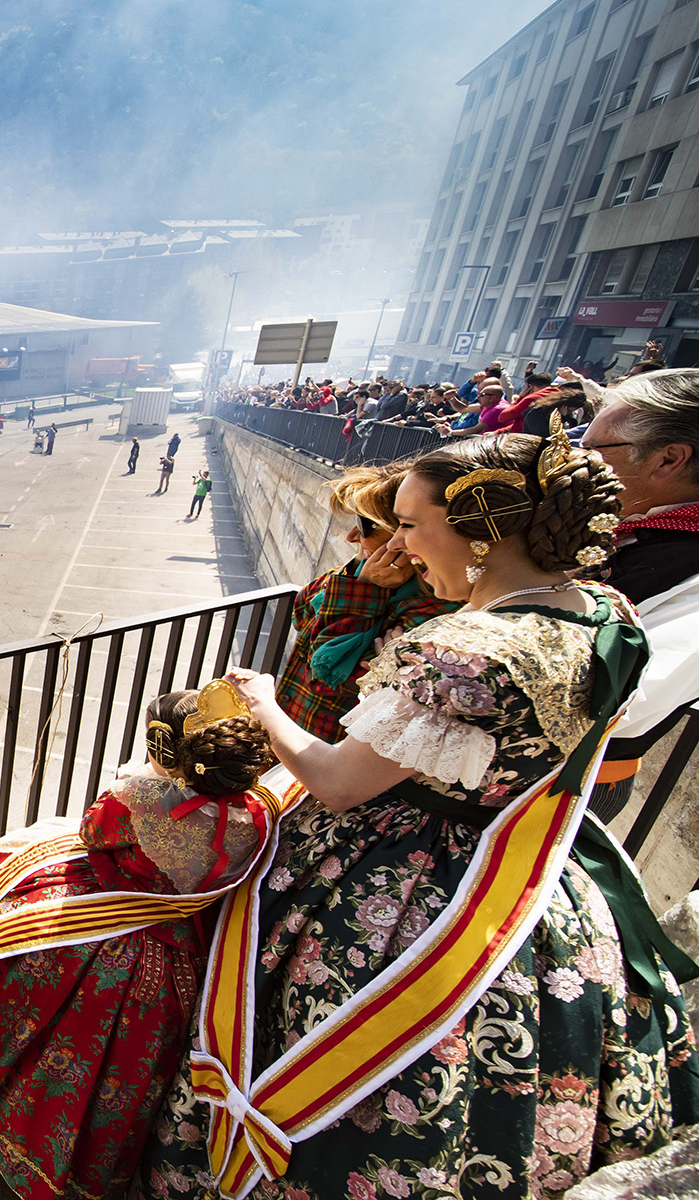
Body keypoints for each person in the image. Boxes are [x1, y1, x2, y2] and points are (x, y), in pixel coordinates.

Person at [142, 428, 699, 1199]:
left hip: (407, 884)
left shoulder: (462, 651)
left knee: (297, 1035)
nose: (400, 545)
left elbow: (337, 782)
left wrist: (267, 707)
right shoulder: (604, 610)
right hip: (530, 867)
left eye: (409, 525)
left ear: (482, 530)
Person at [0, 684, 280, 1200]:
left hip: (101, 921)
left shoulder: (146, 800)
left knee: (18, 983)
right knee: (115, 1068)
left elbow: (94, 831)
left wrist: (140, 782)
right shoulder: (259, 812)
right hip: (176, 955)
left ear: (165, 749)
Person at [580, 369, 699, 819]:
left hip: (572, 784)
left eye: (593, 451)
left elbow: (627, 704)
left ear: (668, 459)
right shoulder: (625, 528)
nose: (577, 462)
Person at [274, 465, 457, 741]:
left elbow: (329, 677)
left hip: (328, 748)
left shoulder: (430, 611)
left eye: (364, 525)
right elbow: (301, 613)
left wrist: (366, 589)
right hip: (296, 721)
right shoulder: (362, 571)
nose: (351, 537)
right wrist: (358, 572)